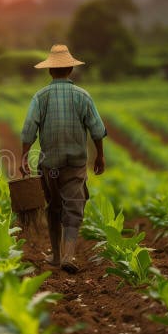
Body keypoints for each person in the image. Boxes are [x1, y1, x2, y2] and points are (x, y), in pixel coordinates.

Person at [19, 45, 107, 274]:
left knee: (54, 207)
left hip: (50, 166)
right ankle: (69, 254)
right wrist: (100, 155)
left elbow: (29, 129)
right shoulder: (83, 96)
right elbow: (97, 129)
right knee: (74, 207)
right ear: (70, 69)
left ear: (50, 71)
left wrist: (23, 156)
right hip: (75, 164)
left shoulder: (41, 97)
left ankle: (57, 256)